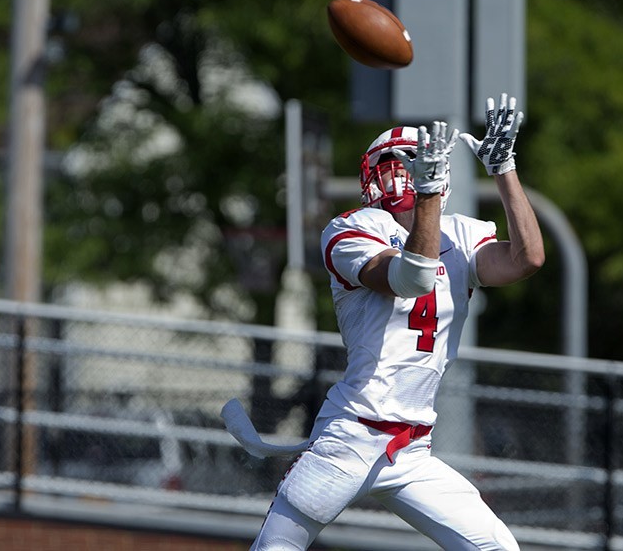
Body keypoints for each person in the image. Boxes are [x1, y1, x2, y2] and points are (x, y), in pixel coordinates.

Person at [222, 93, 544, 550]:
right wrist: (427, 196)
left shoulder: (461, 233)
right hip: (352, 435)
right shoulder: (354, 227)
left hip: (413, 448)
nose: (405, 173)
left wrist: (504, 169)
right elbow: (411, 278)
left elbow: (527, 258)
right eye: (396, 164)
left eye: (415, 163)